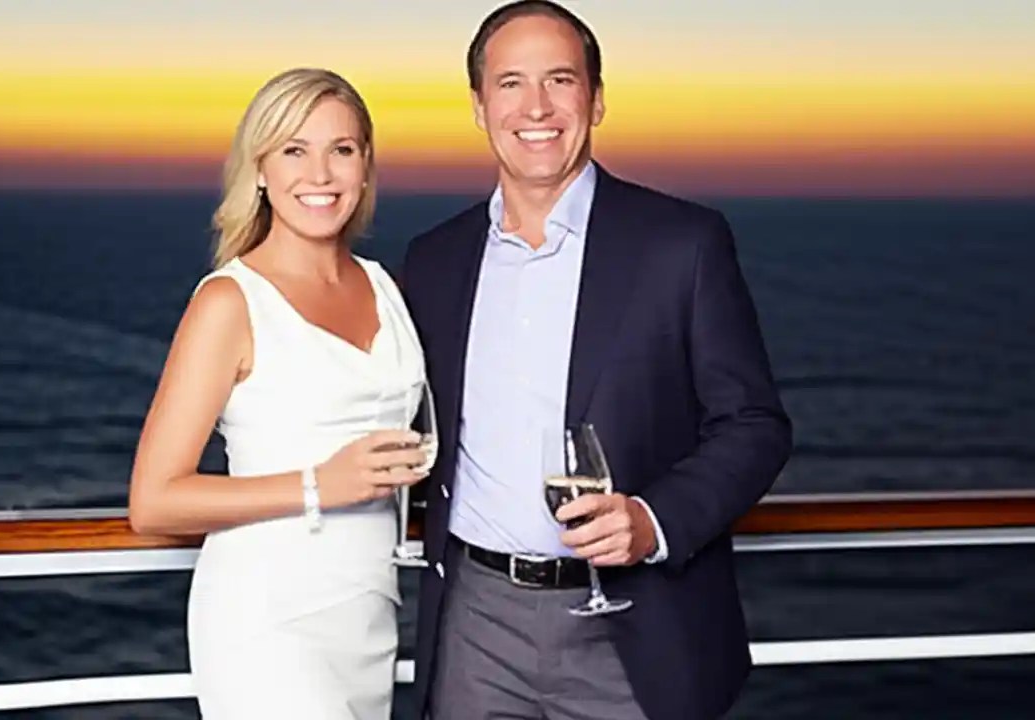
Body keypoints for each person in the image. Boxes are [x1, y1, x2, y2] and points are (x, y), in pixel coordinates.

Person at [401, 2, 793, 719]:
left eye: (561, 79)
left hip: (634, 630)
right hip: (474, 626)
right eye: (511, 83)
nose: (537, 107)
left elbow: (756, 424)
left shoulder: (683, 243)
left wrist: (654, 519)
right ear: (479, 107)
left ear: (597, 98)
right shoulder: (432, 261)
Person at [127, 67, 429, 719]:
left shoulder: (386, 289)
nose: (320, 174)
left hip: (370, 618)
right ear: (259, 169)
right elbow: (153, 501)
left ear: (365, 166)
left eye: (340, 150)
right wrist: (321, 483)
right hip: (268, 621)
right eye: (295, 149)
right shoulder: (230, 302)